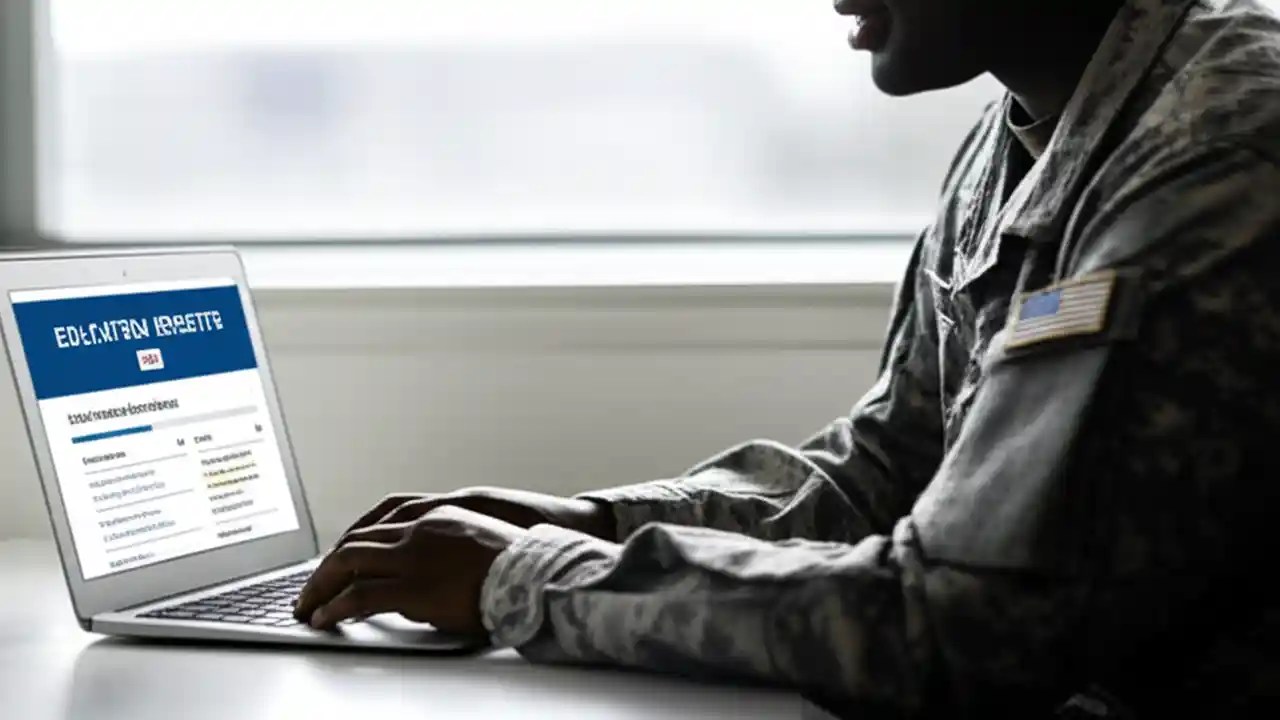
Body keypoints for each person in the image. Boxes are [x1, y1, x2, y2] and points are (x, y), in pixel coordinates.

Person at [295, 0, 1280, 715]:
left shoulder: (1217, 153)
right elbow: (891, 471)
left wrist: (527, 579)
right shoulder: (1019, 136)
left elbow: (953, 630)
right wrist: (593, 516)